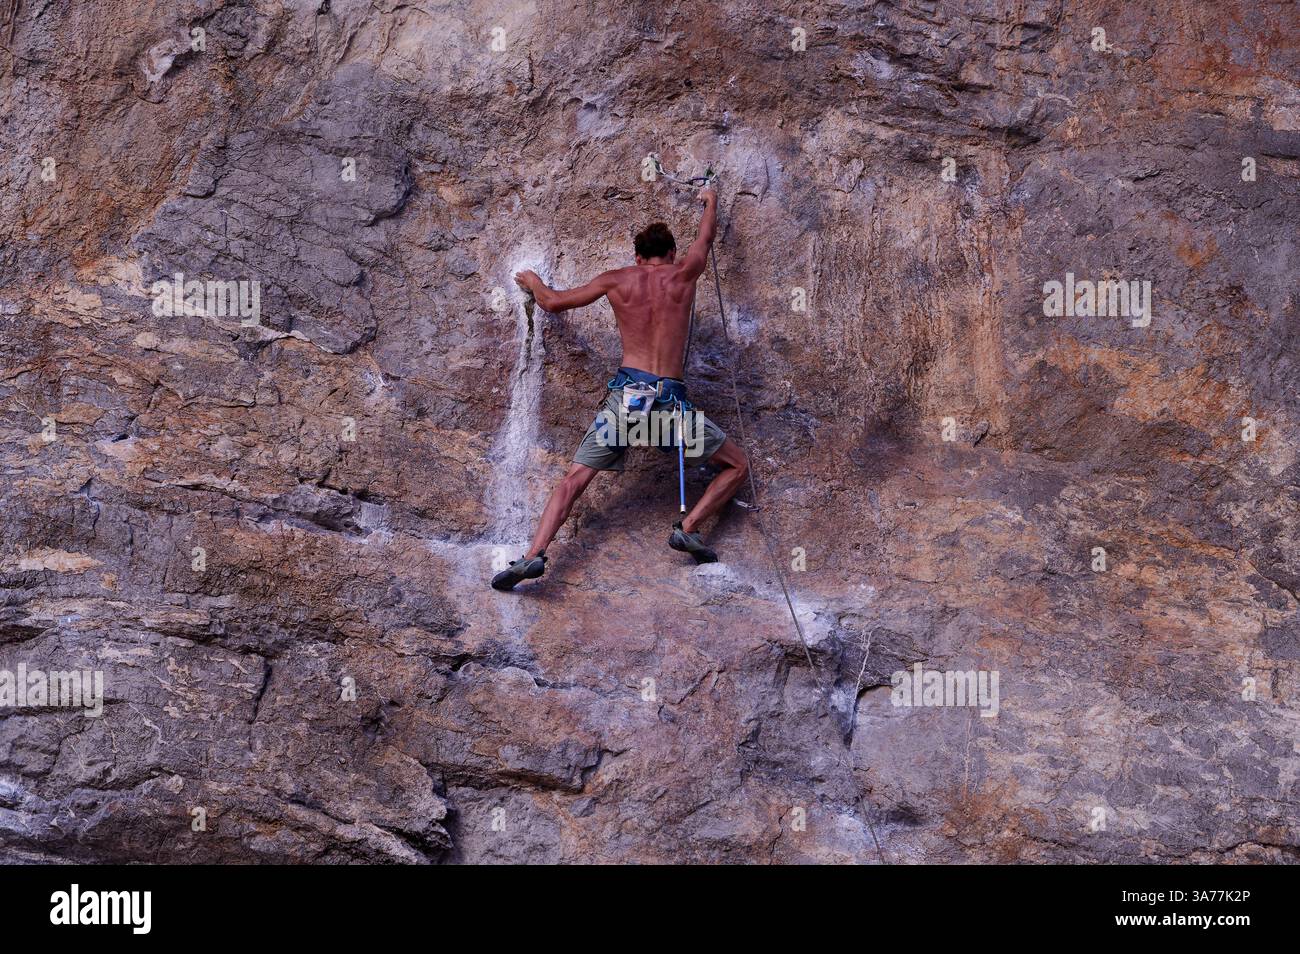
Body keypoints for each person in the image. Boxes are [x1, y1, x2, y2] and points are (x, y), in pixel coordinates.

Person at [491, 188, 749, 591]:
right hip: (669, 408)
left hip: (627, 401)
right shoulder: (684, 273)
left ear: (638, 257)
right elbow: (706, 239)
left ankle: (533, 555)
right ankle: (689, 527)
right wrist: (711, 201)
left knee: (574, 480)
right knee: (737, 465)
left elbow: (554, 303)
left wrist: (533, 280)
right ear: (670, 253)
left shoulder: (618, 280)